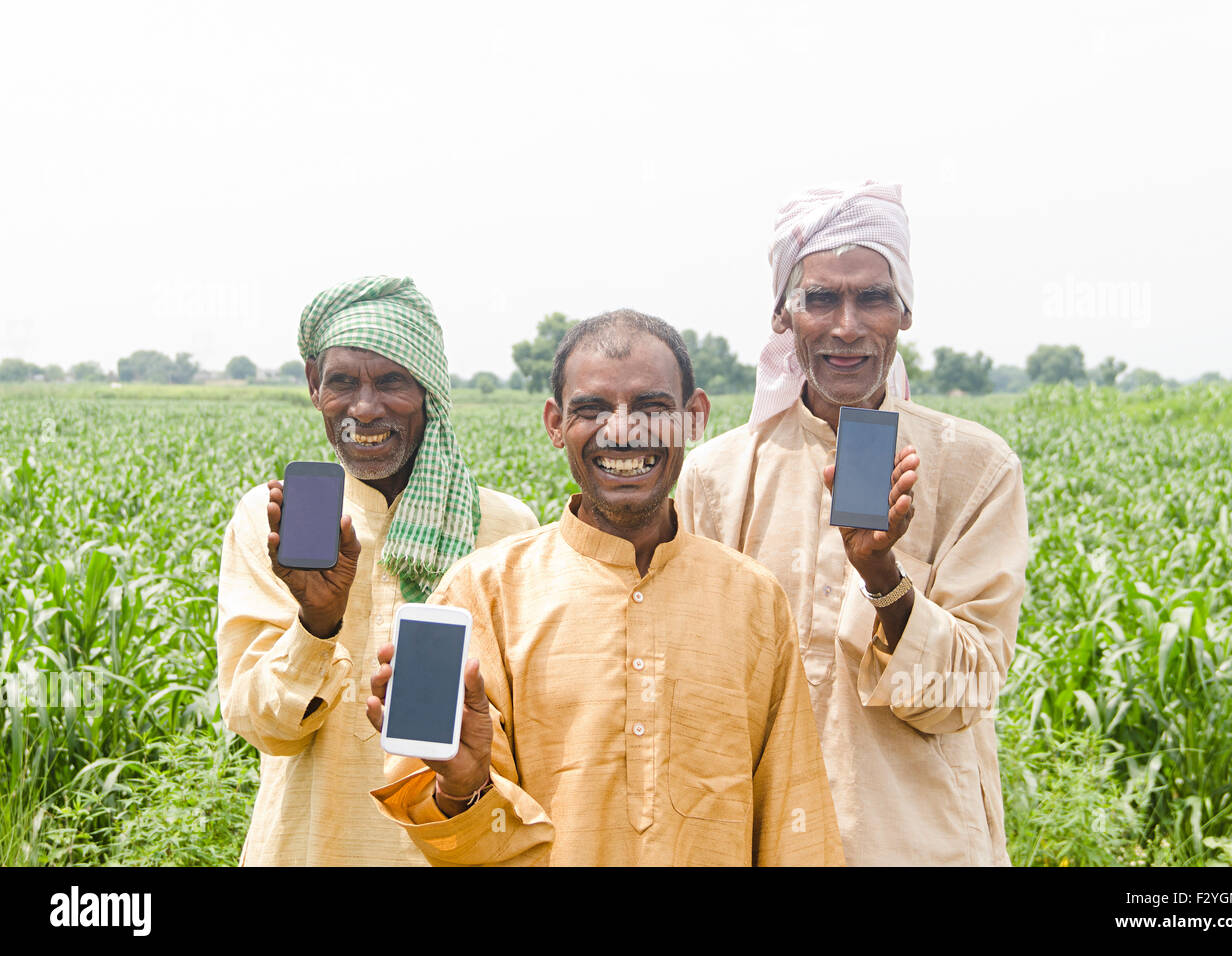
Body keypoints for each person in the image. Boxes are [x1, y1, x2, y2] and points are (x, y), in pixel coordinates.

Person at [365, 309, 843, 865]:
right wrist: (465, 783)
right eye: (591, 410)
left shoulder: (754, 600)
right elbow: (451, 840)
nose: (622, 431)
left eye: (652, 408)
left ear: (695, 417)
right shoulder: (484, 591)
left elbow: (793, 817)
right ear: (554, 423)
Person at [676, 182, 1029, 866]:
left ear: (903, 313)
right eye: (820, 298)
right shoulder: (717, 477)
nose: (846, 325)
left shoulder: (973, 469)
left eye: (871, 297)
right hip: (764, 838)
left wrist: (883, 580)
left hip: (915, 839)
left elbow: (965, 690)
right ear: (783, 317)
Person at [215, 275, 538, 865]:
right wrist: (317, 623)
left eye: (391, 381)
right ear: (315, 386)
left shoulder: (505, 528)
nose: (365, 408)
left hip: (451, 846)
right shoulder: (270, 524)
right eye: (342, 381)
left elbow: (525, 728)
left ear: (429, 390)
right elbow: (260, 724)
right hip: (308, 845)